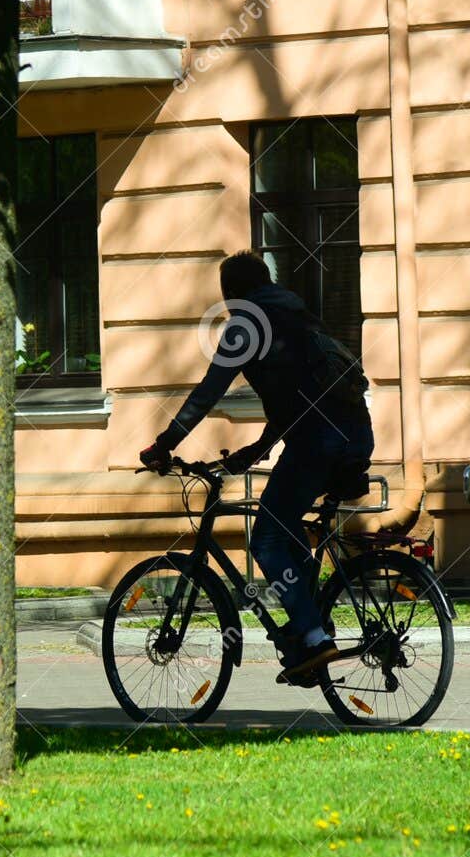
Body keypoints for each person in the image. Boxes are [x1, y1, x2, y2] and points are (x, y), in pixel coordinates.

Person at [139, 251, 374, 683]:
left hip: (318, 442)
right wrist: (258, 449)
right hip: (355, 435)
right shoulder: (298, 315)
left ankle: (313, 636)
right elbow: (301, 399)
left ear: (231, 295)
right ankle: (311, 629)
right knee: (287, 533)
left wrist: (164, 444)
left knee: (266, 538)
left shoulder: (246, 324)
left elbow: (209, 391)